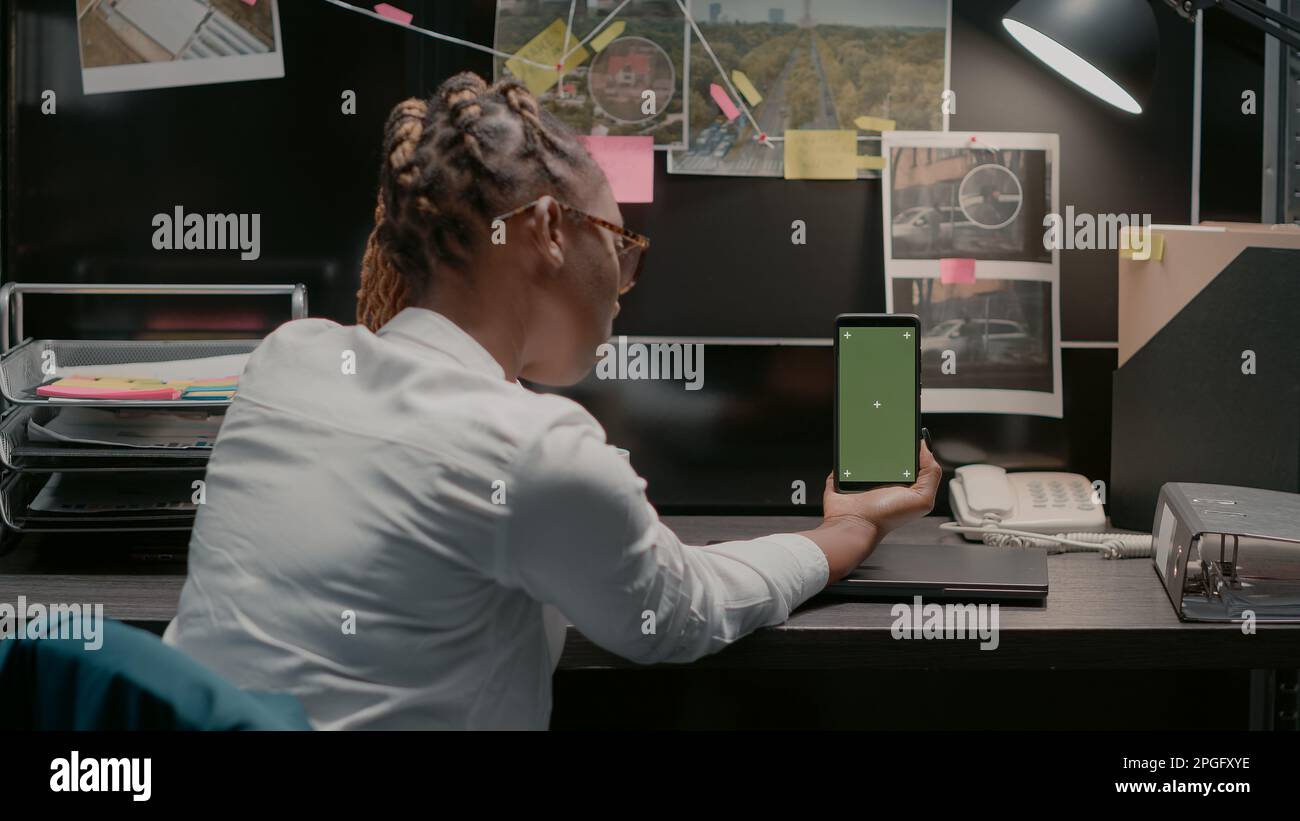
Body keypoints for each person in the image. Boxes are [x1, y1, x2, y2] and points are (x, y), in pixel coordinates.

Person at [164, 72, 941, 730]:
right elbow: (677, 614)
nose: (625, 285)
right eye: (620, 242)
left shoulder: (285, 360)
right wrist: (846, 532)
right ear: (546, 231)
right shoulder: (532, 448)